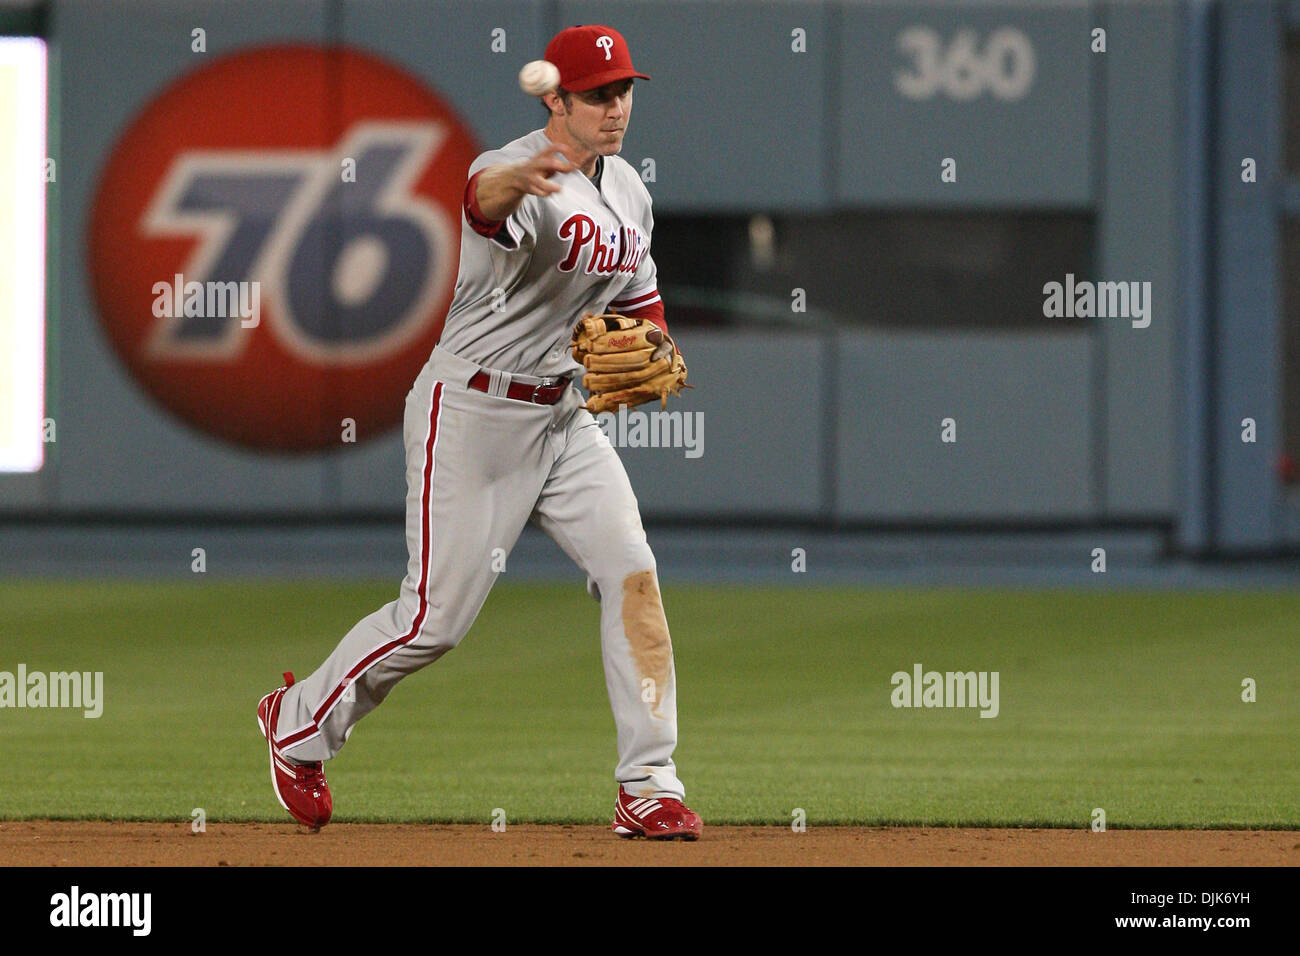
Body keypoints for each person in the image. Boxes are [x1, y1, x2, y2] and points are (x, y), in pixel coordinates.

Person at [256, 23, 702, 841]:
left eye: (623, 90)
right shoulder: (510, 171)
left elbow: (640, 303)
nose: (615, 107)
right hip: (471, 412)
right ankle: (296, 719)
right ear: (555, 99)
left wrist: (654, 347)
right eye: (598, 94)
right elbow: (482, 203)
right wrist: (517, 181)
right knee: (435, 622)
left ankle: (648, 782)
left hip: (563, 419)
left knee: (633, 574)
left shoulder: (629, 190)